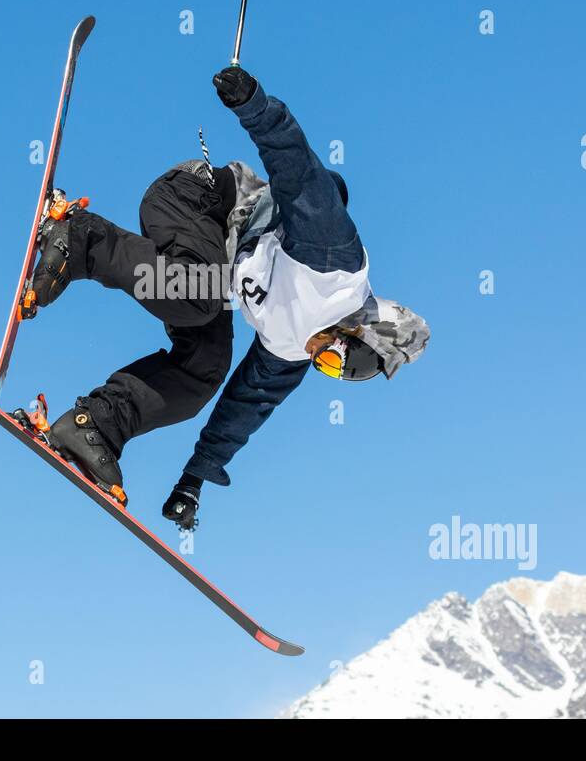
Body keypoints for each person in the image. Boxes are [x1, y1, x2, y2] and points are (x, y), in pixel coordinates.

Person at [24, 66, 429, 529]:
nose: (323, 361)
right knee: (201, 295)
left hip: (204, 267)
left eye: (334, 373)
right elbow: (298, 172)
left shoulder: (291, 352)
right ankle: (80, 239)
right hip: (195, 200)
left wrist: (194, 479)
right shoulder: (335, 265)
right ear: (359, 327)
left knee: (206, 370)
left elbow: (245, 407)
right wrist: (254, 105)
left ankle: (94, 425)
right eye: (340, 360)